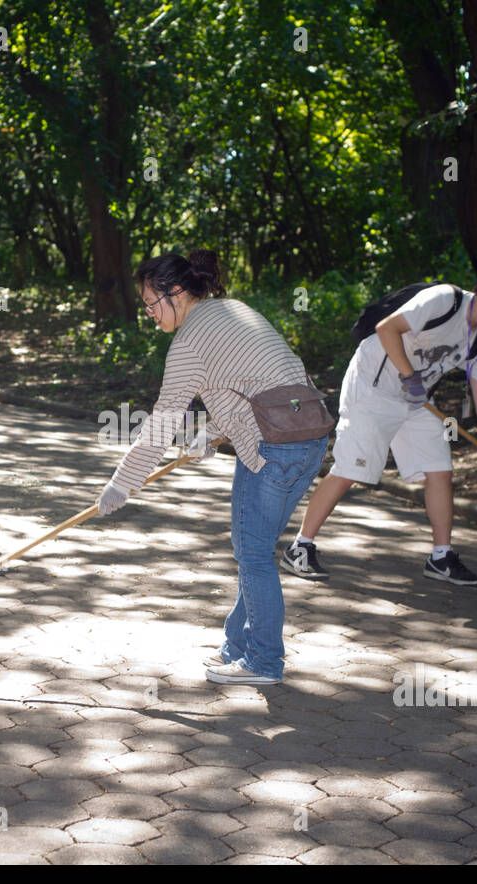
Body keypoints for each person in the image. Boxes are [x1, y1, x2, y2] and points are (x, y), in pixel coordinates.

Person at [96, 250, 328, 686]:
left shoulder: (187, 344)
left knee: (254, 555)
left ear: (176, 293)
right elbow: (258, 381)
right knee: (255, 551)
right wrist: (214, 431)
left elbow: (162, 423)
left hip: (272, 448)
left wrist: (121, 484)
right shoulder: (234, 310)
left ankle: (263, 662)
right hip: (311, 439)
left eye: (150, 302)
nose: (148, 313)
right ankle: (237, 646)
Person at [280, 263, 477, 586]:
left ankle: (441, 557)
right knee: (350, 470)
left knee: (439, 469)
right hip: (372, 388)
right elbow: (387, 328)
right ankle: (299, 547)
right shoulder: (445, 300)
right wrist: (408, 375)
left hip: (416, 401)